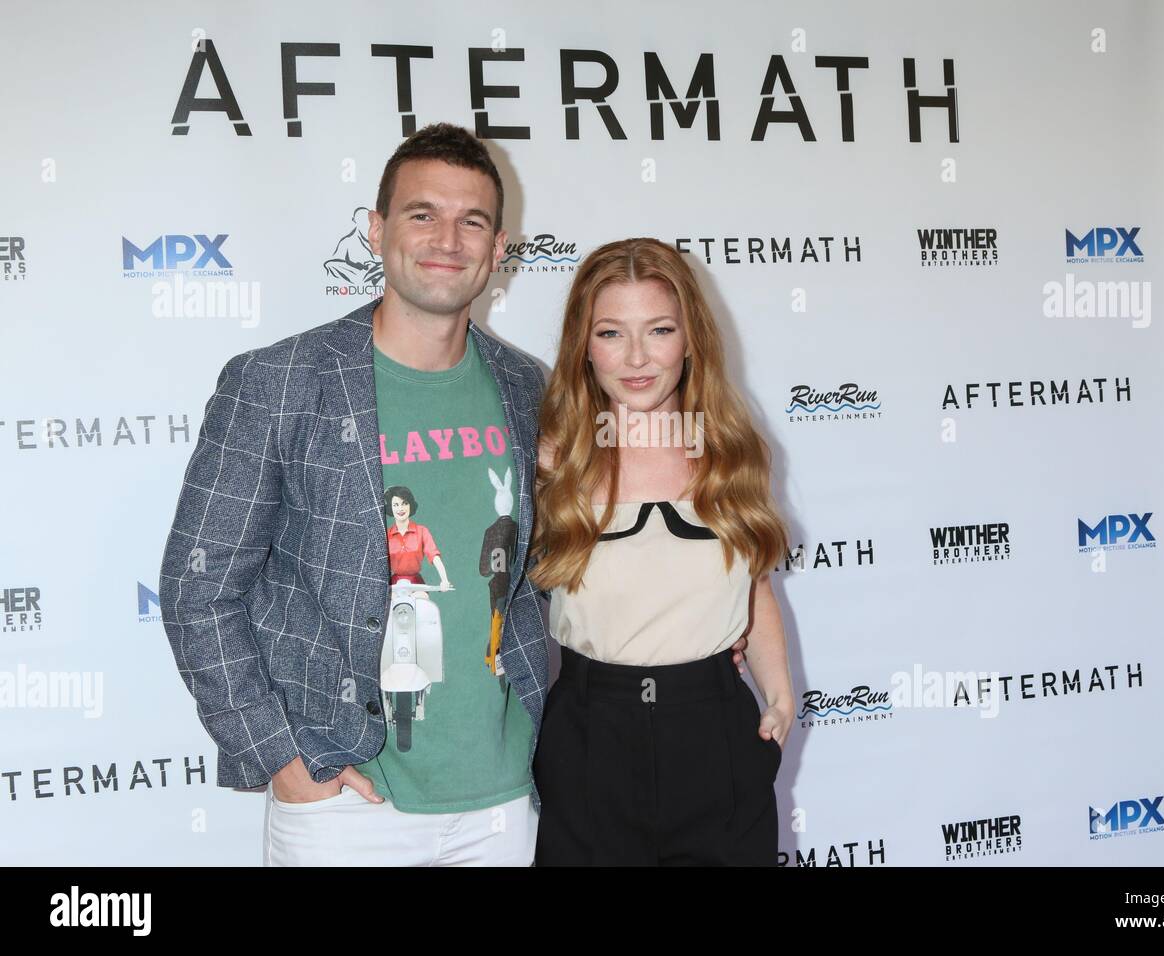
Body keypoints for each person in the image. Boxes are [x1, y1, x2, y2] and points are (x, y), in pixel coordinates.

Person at [158, 122, 550, 866]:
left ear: (500, 249)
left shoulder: (525, 386)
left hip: (501, 797)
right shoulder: (279, 382)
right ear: (376, 230)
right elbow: (197, 588)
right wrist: (281, 757)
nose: (448, 239)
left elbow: (540, 573)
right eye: (421, 213)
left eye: (473, 221)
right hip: (344, 799)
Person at [528, 237, 795, 866]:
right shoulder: (552, 459)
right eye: (612, 334)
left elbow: (755, 586)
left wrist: (780, 697)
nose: (638, 357)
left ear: (690, 337)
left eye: (660, 330)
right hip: (589, 735)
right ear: (584, 347)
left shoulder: (729, 455)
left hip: (715, 736)